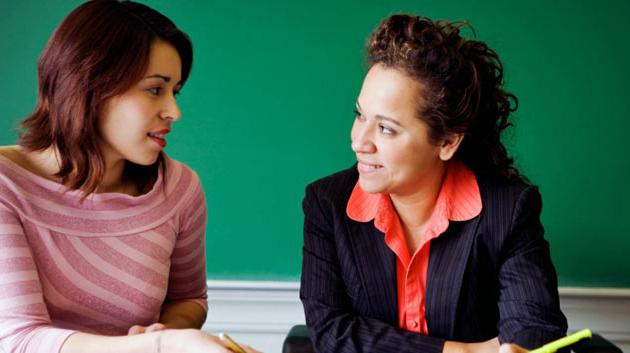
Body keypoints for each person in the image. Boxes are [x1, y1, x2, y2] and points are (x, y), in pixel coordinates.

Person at [0, 1, 259, 352]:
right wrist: (160, 345)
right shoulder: (6, 184)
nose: (174, 111)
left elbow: (189, 298)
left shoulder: (180, 189)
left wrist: (164, 329)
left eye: (175, 91)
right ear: (90, 83)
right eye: (155, 89)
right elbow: (18, 339)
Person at [300, 14, 568, 353]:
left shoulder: (510, 209)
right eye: (359, 115)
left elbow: (534, 328)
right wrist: (464, 351)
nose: (358, 141)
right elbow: (332, 334)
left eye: (386, 128)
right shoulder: (327, 203)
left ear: (447, 142)